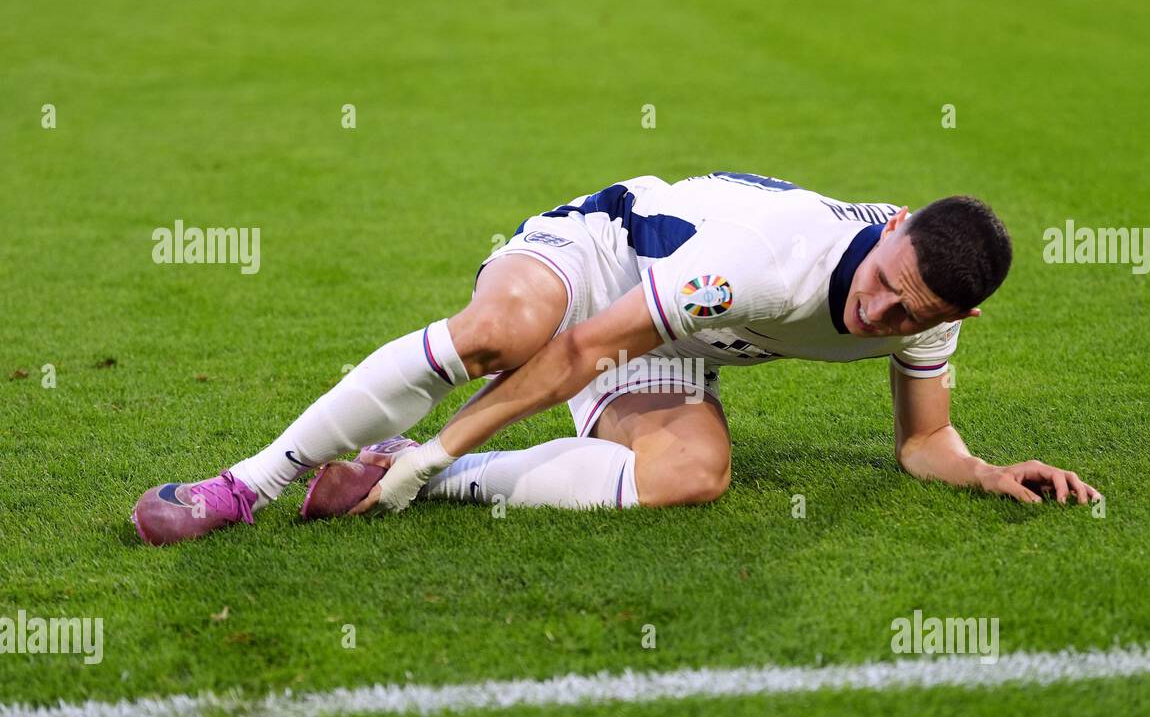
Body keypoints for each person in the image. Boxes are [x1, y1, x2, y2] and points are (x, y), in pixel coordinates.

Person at [131, 171, 1100, 545]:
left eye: (909, 313)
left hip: (675, 334)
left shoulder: (931, 314)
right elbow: (582, 347)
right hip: (601, 254)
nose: (877, 311)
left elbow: (921, 442)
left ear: (956, 312)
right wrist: (443, 432)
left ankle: (413, 478)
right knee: (501, 333)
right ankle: (245, 484)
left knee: (693, 472)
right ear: (890, 226)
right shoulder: (770, 261)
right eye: (884, 283)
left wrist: (979, 469)